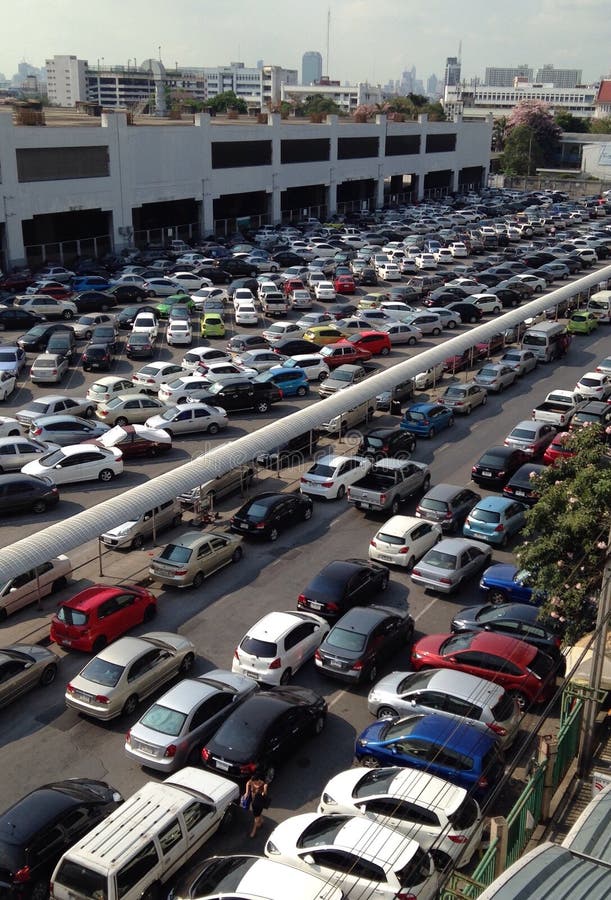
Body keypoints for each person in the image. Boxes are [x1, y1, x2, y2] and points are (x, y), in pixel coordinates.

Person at [242, 773, 268, 838]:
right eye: (252, 782)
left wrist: (264, 791)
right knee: (256, 814)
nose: (253, 783)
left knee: (256, 817)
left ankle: (253, 832)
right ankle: (261, 821)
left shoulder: (263, 784)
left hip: (259, 803)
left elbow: (265, 794)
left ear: (257, 780)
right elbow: (247, 783)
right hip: (253, 802)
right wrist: (246, 792)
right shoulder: (252, 781)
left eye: (254, 782)